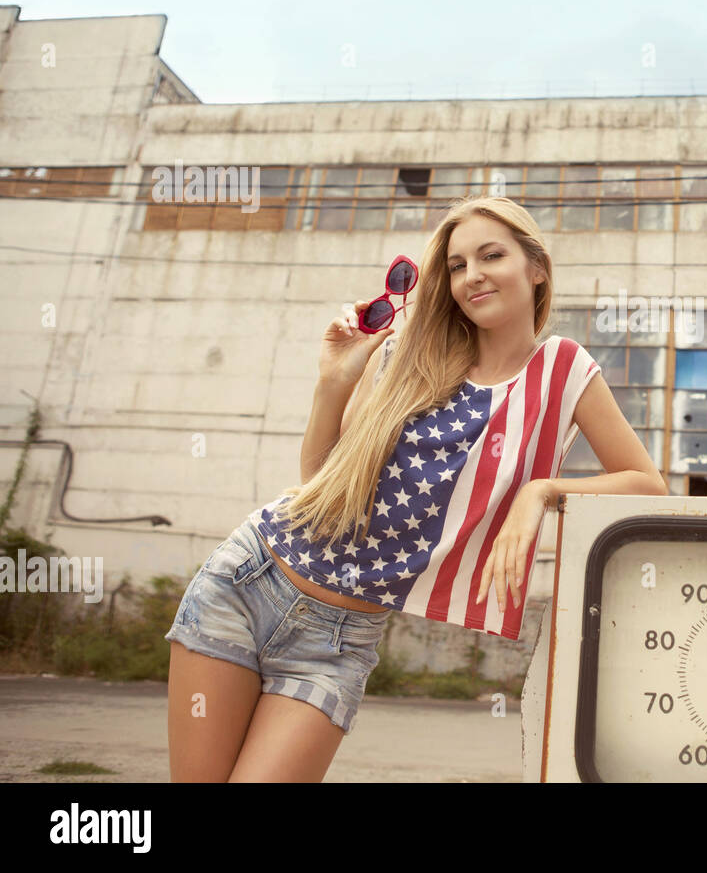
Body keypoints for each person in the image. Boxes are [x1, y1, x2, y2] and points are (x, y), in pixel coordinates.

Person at [165, 192, 669, 781]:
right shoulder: (414, 356)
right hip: (251, 577)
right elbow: (322, 479)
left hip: (337, 640)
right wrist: (334, 381)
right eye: (457, 266)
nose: (472, 276)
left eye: (490, 256)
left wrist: (542, 493)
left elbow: (647, 486)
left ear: (536, 268)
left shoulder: (561, 368)